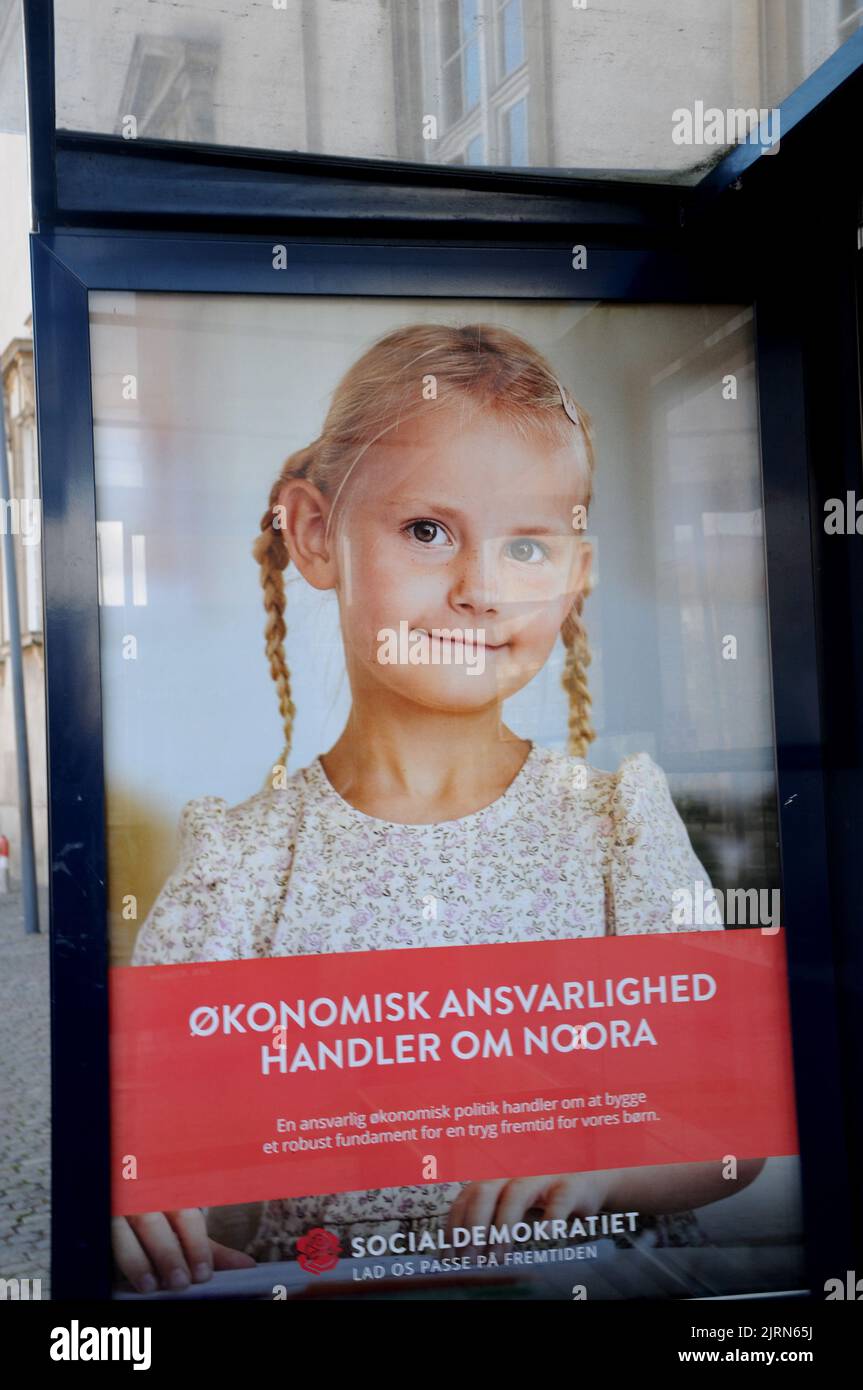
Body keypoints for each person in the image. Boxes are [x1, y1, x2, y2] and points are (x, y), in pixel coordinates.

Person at [113, 323, 762, 1294]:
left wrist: (599, 1164)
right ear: (316, 532)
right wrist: (145, 1195)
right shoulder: (240, 861)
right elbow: (159, 1147)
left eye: (528, 544)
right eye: (427, 530)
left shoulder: (613, 824)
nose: (480, 589)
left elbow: (732, 1130)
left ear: (574, 573)